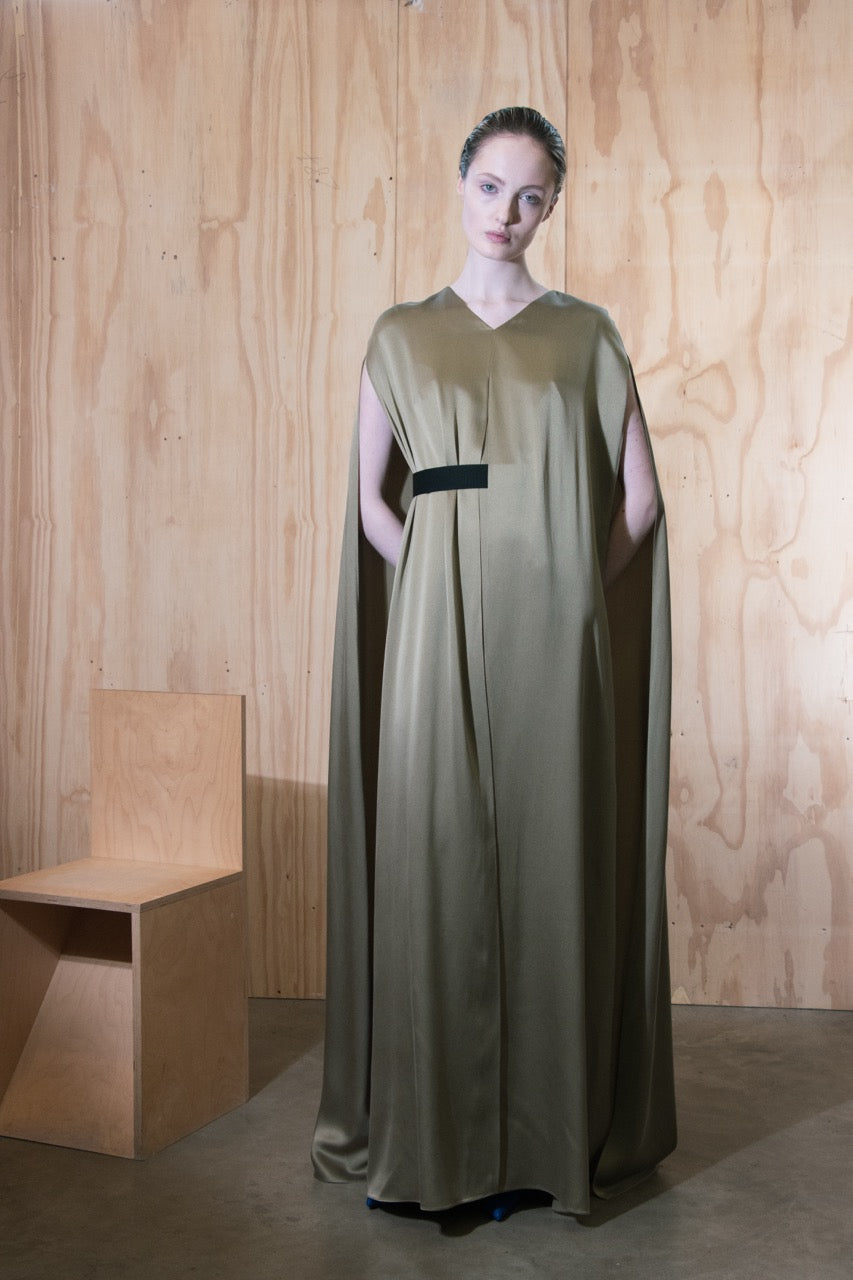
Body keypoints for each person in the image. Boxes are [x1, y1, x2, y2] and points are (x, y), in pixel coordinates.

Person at [311, 106, 676, 1218]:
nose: (505, 213)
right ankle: (438, 1146)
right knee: (436, 861)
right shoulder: (399, 335)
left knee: (551, 861)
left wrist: (573, 589)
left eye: (530, 196)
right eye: (489, 187)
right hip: (433, 632)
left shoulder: (586, 335)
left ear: (551, 206)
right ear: (459, 184)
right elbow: (372, 503)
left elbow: (640, 501)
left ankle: (544, 1145)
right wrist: (430, 573)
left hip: (554, 644)